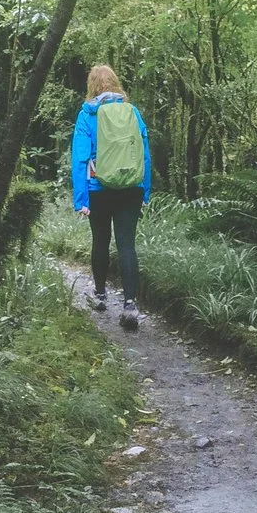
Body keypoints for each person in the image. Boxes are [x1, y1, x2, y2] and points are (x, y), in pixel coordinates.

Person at [70, 63, 152, 329]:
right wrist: (145, 189)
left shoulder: (87, 114)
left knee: (101, 240)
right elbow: (144, 153)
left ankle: (101, 295)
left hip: (98, 189)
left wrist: (80, 200)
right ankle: (130, 305)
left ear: (91, 86)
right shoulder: (132, 113)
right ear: (116, 84)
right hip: (131, 187)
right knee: (127, 244)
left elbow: (80, 158)